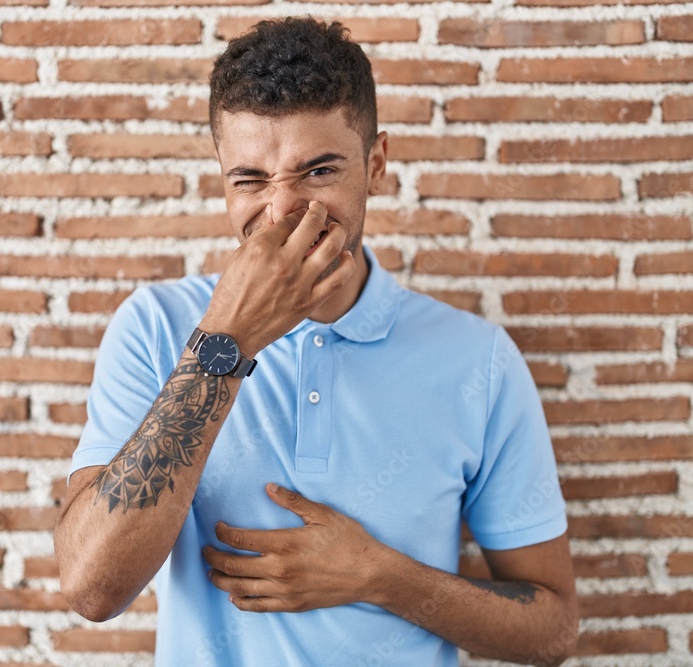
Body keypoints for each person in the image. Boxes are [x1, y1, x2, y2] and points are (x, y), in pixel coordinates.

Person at [54, 16, 578, 667]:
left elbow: (552, 629)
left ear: (376, 165)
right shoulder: (156, 326)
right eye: (250, 178)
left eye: (319, 170)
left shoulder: (480, 358)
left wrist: (383, 576)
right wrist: (228, 339)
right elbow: (91, 585)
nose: (282, 210)